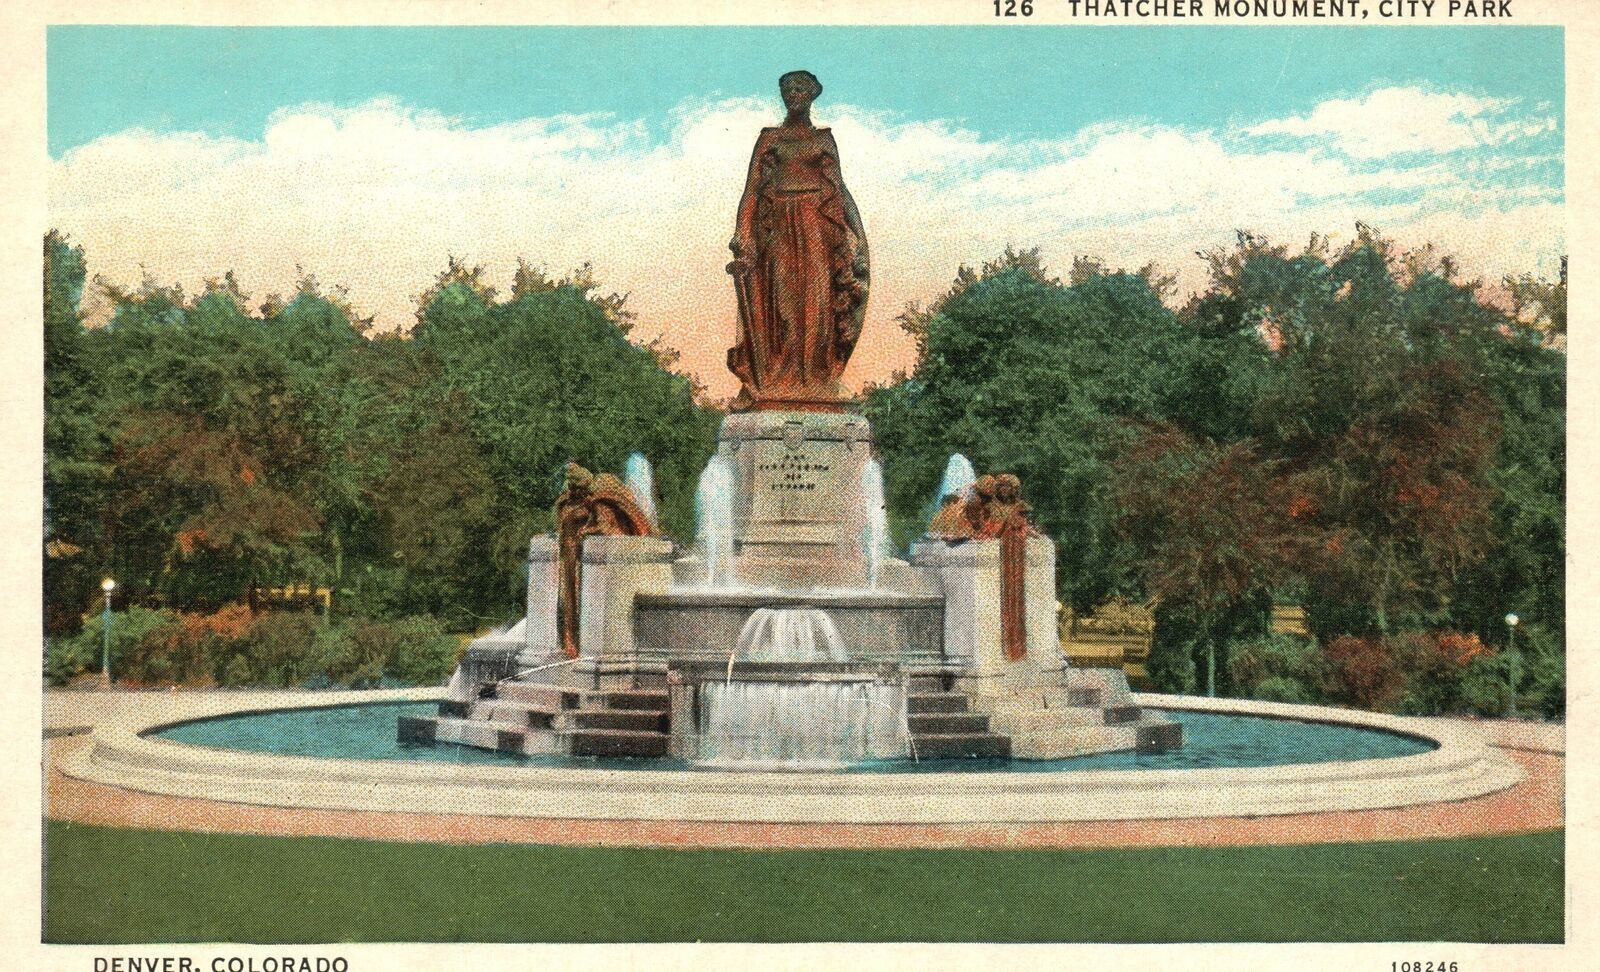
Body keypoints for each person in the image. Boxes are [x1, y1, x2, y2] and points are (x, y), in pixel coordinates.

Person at [727, 70, 869, 408]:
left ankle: (817, 381)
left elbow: (841, 191)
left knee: (818, 301)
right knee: (785, 304)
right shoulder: (769, 137)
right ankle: (780, 380)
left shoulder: (823, 139)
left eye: (800, 88)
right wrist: (742, 231)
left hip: (817, 225)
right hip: (777, 225)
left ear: (813, 94)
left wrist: (858, 236)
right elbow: (751, 190)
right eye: (787, 89)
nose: (793, 94)